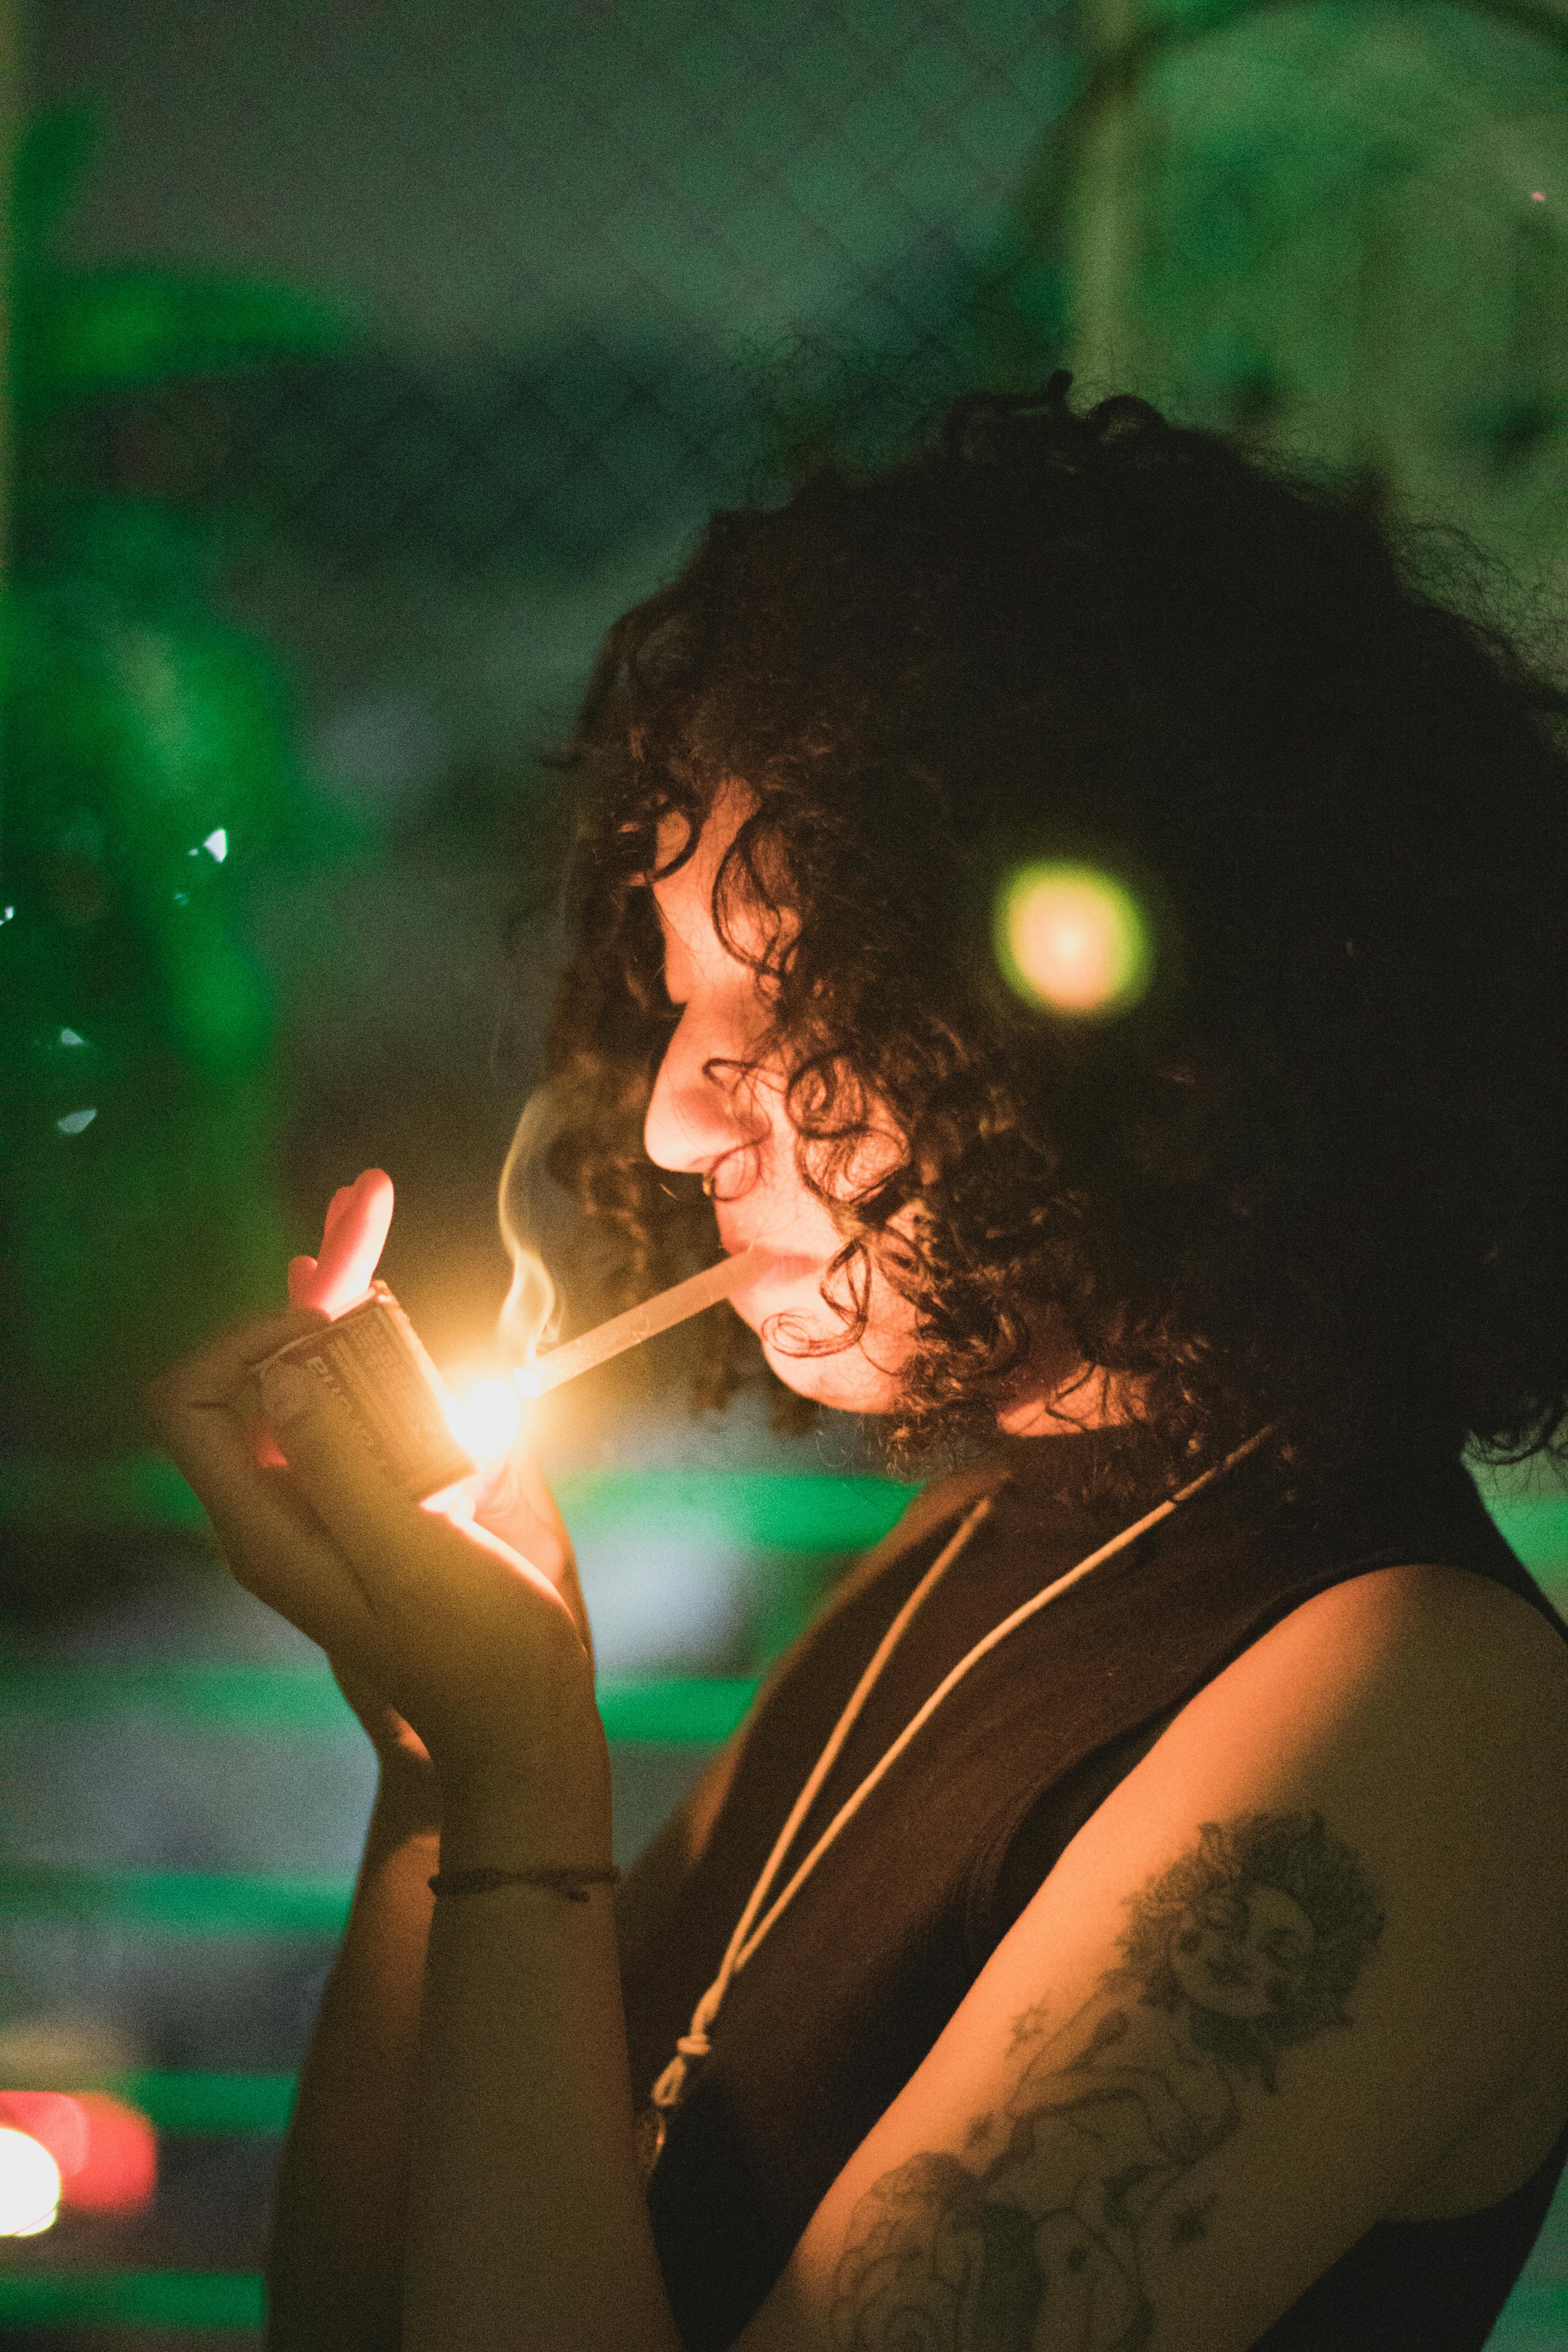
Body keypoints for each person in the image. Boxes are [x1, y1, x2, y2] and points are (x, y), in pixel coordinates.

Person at [153, 377, 1568, 2352]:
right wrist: (445, 1776)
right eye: (672, 1005)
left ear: (1156, 1050)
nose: (671, 1123)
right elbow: (363, 2316)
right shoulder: (968, 1553)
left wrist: (532, 1782)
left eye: (788, 1011)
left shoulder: (1409, 1713)